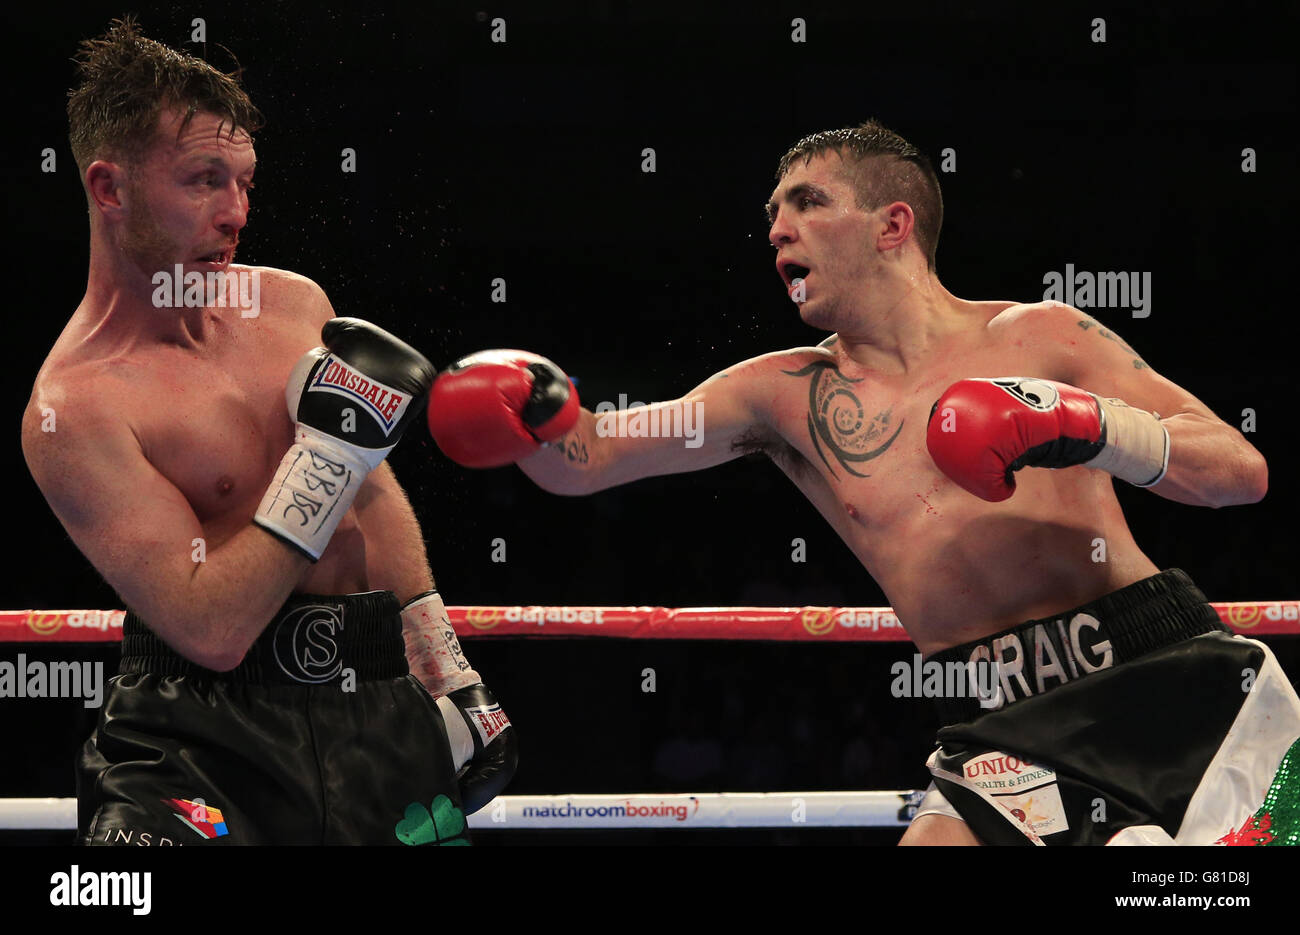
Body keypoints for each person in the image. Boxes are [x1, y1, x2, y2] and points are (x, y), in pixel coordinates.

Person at [428, 120, 1300, 845]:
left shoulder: (1040, 335)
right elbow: (594, 455)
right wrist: (534, 416)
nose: (777, 229)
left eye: (807, 203)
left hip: (1166, 673)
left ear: (892, 224)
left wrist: (1082, 425)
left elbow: (1238, 469)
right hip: (1006, 721)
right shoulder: (779, 395)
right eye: (772, 212)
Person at [21, 18, 515, 846]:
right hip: (196, 744)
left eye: (244, 182)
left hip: (374, 701)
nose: (236, 213)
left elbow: (371, 491)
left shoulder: (292, 305)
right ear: (110, 188)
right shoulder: (75, 406)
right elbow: (210, 627)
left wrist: (444, 666)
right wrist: (327, 452)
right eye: (204, 181)